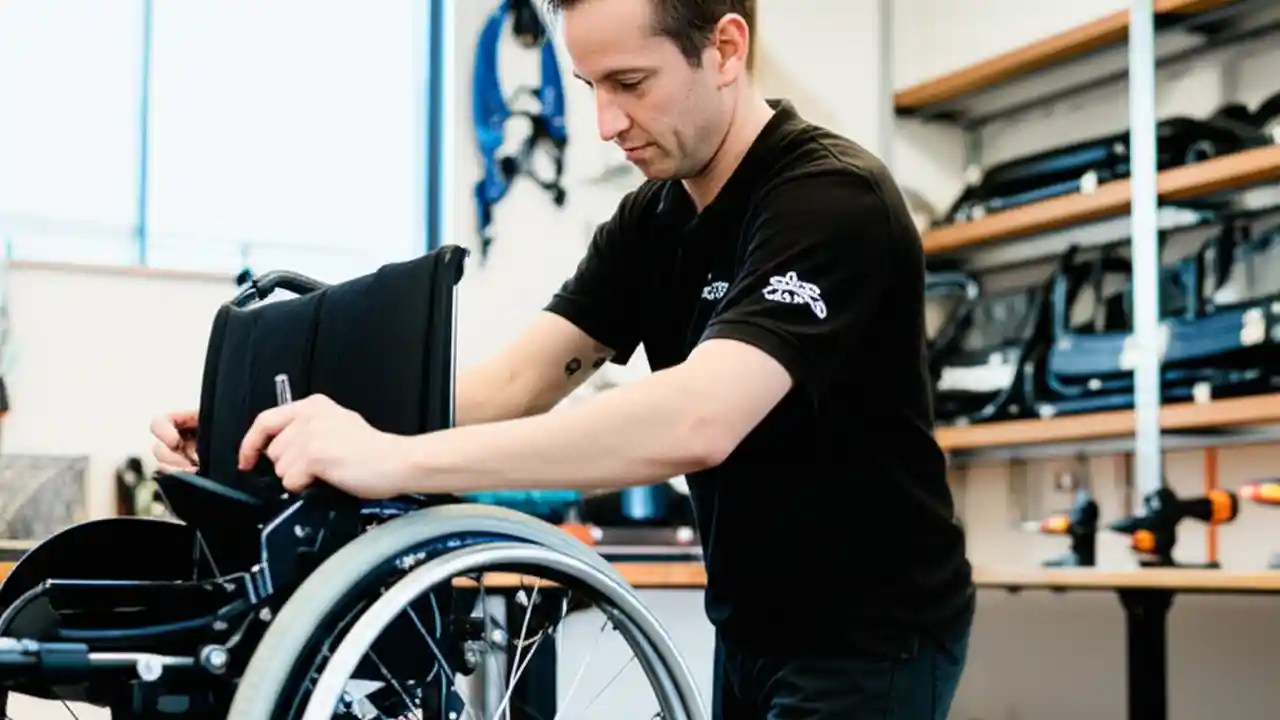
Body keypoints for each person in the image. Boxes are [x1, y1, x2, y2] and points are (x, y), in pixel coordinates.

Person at [151, 0, 975, 716]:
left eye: (631, 83)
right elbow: (519, 382)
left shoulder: (833, 202)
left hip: (874, 634)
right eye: (589, 87)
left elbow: (700, 418)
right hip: (751, 621)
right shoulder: (653, 222)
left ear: (726, 49)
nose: (606, 124)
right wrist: (271, 432)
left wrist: (395, 458)